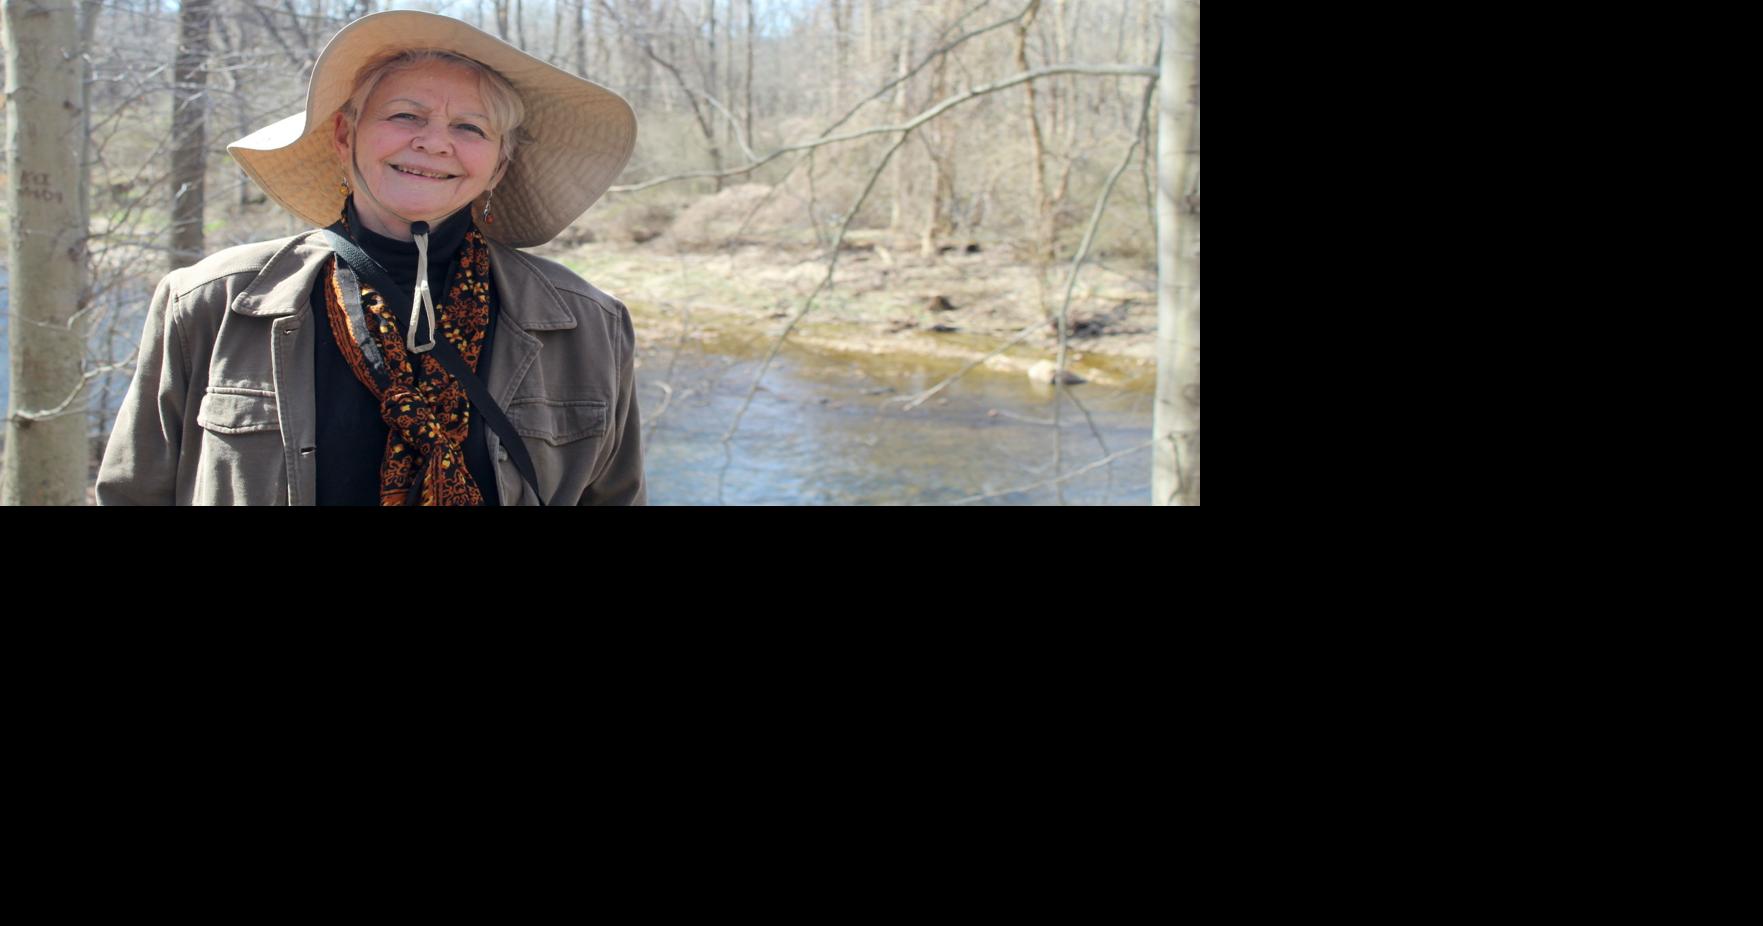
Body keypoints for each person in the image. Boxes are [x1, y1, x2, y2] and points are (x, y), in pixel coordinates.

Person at [96, 10, 643, 505]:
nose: (434, 143)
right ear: (343, 134)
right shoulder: (213, 303)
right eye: (406, 116)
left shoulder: (588, 325)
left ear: (499, 165)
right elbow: (133, 494)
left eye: (470, 127)